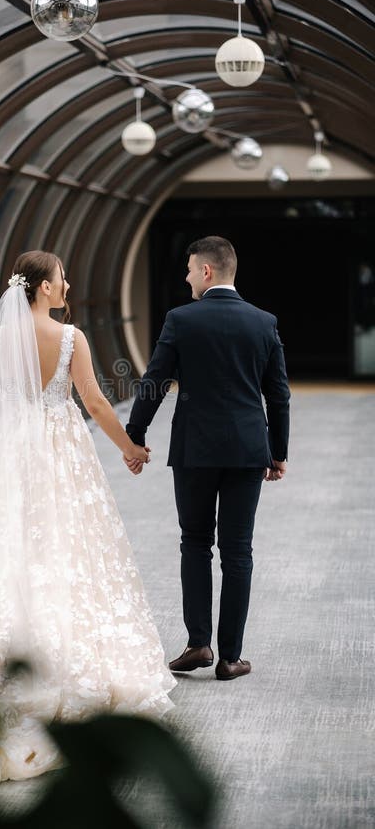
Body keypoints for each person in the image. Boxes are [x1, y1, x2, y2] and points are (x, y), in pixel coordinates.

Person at [0, 250, 176, 786]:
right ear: (43, 288)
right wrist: (130, 447)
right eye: (62, 277)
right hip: (61, 453)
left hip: (10, 455)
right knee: (66, 545)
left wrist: (21, 406)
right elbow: (92, 398)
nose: (68, 284)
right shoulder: (71, 339)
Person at [125, 236, 290, 681]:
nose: (185, 278)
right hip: (246, 450)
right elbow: (278, 395)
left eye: (189, 269)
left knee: (195, 542)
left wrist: (134, 437)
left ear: (206, 272)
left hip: (194, 450)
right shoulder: (263, 322)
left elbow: (155, 381)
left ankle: (198, 644)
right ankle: (230, 658)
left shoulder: (181, 319)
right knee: (238, 551)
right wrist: (278, 453)